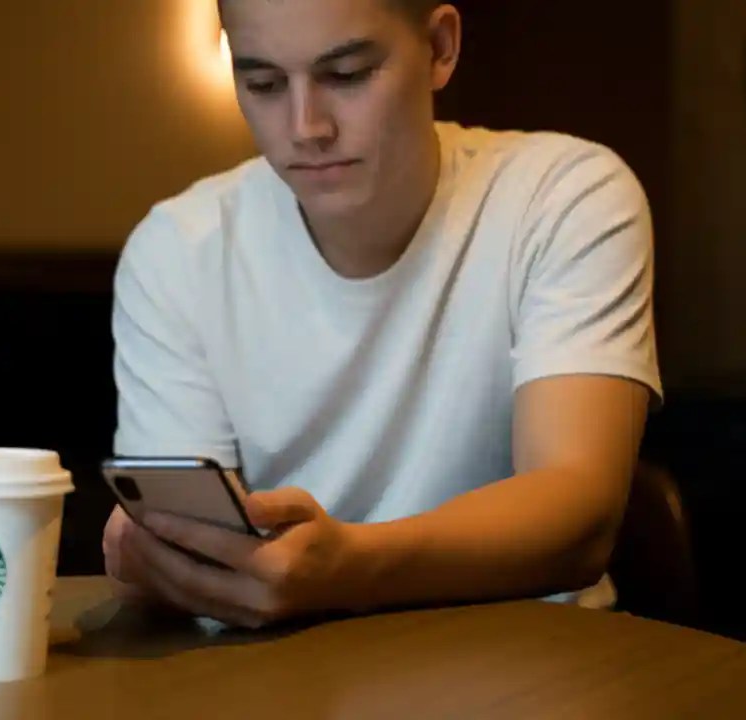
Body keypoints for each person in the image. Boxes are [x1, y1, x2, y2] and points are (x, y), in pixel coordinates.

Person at [103, 0, 661, 629]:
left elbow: (579, 514)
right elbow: (185, 544)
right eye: (262, 84)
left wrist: (348, 570)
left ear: (441, 47)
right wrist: (153, 557)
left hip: (535, 658)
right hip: (287, 679)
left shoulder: (563, 197)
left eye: (347, 76)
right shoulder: (179, 249)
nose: (306, 127)